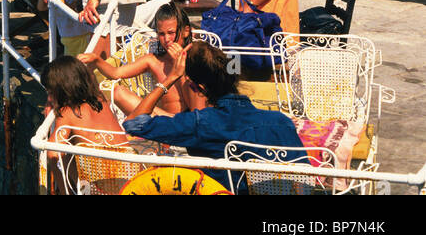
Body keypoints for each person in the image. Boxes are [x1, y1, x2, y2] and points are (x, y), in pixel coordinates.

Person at [124, 40, 302, 160]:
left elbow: (132, 123)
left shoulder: (200, 124)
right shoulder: (282, 122)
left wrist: (170, 79)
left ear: (198, 88)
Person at [80, 2, 200, 116]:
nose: (166, 39)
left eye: (171, 32)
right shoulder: (153, 61)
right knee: (119, 92)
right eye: (161, 34)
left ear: (186, 31)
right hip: (164, 120)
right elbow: (116, 73)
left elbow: (198, 108)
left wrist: (181, 70)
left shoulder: (198, 56)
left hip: (191, 120)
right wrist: (96, 60)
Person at [41, 56, 130, 148]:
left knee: (68, 146)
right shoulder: (99, 99)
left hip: (103, 162)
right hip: (128, 159)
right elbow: (90, 78)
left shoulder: (67, 113)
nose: (49, 98)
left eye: (50, 92)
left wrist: (49, 127)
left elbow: (54, 154)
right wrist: (95, 59)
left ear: (61, 90)